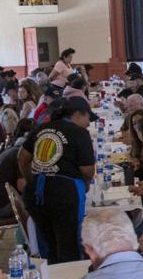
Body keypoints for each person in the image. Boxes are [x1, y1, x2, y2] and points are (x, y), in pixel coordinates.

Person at [19, 96, 96, 263]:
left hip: (36, 193)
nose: (89, 123)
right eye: (88, 118)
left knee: (48, 243)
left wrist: (31, 178)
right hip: (65, 193)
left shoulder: (42, 128)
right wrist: (86, 183)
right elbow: (87, 170)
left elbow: (23, 157)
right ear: (78, 114)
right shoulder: (80, 133)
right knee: (69, 245)